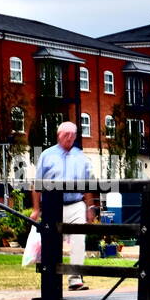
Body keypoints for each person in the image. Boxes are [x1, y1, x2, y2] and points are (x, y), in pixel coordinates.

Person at [30, 121, 97, 290]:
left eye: (72, 135)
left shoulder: (81, 157)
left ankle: (75, 278)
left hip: (76, 204)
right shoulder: (47, 155)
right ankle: (52, 280)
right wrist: (36, 209)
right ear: (58, 135)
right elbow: (37, 184)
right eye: (65, 134)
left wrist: (90, 207)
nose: (69, 138)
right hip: (53, 206)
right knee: (53, 243)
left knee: (79, 240)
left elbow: (87, 184)